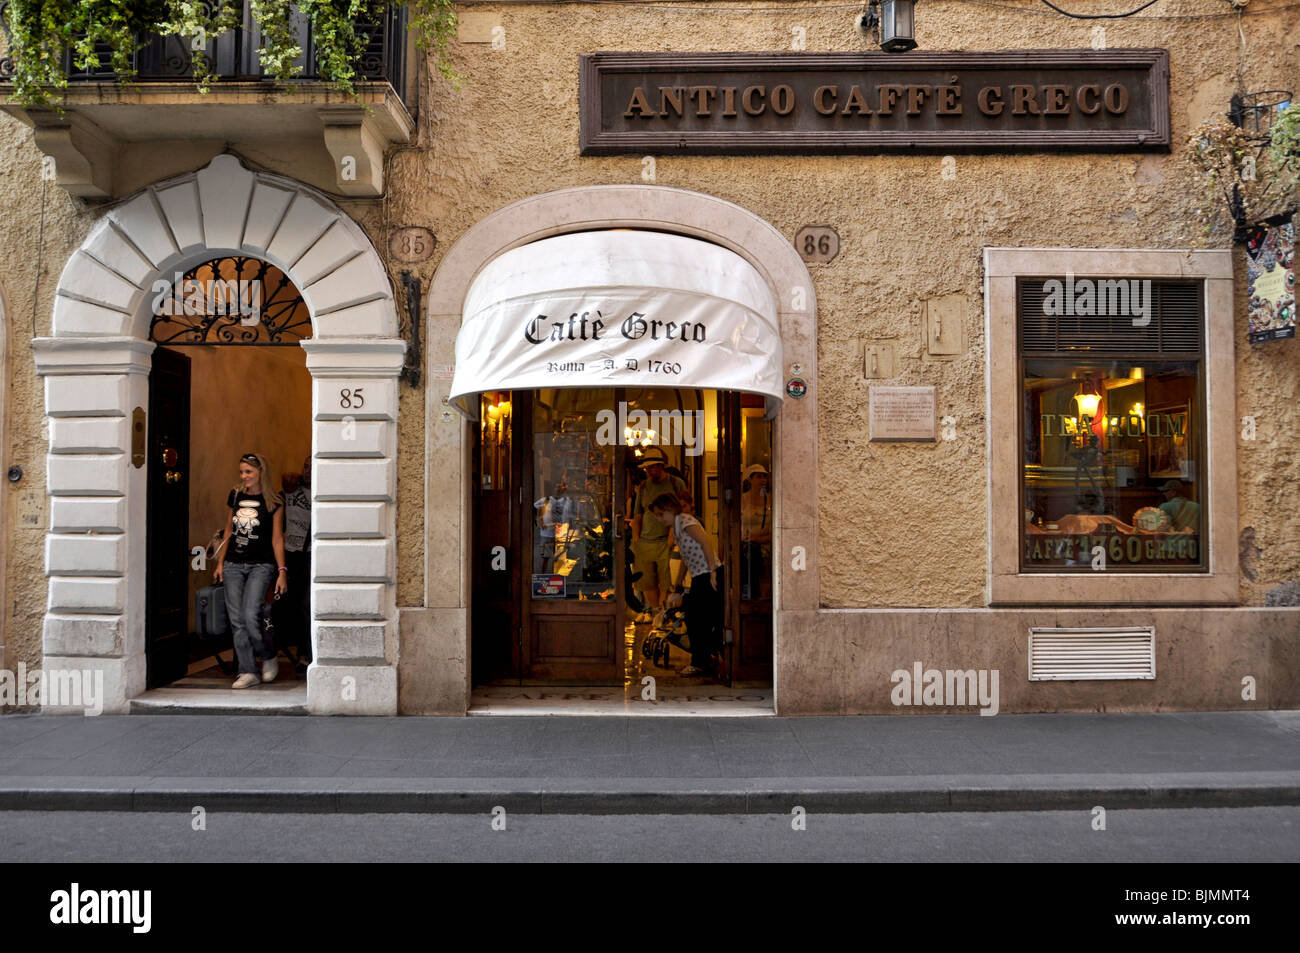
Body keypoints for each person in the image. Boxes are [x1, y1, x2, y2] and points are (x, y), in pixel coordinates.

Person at [213, 452, 288, 689]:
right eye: (241, 472)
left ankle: (267, 655)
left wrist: (282, 571)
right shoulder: (235, 495)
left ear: (260, 473)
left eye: (248, 472)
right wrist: (220, 563)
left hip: (261, 565)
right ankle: (247, 670)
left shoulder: (274, 502)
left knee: (250, 615)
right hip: (233, 564)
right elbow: (227, 532)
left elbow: (277, 539)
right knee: (237, 620)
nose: (244, 476)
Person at [650, 492, 723, 678]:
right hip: (700, 575)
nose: (659, 519)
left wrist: (713, 572)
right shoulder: (676, 528)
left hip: (708, 574)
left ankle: (701, 662)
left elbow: (705, 542)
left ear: (669, 510)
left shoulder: (685, 521)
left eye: (660, 514)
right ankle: (704, 659)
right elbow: (684, 555)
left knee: (698, 619)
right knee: (695, 618)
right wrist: (678, 582)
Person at [630, 448, 686, 623]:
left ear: (660, 465)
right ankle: (655, 612)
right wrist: (636, 538)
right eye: (647, 468)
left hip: (666, 540)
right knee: (646, 580)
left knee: (665, 580)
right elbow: (638, 513)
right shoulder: (645, 486)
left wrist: (673, 535)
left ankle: (663, 613)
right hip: (645, 540)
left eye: (652, 467)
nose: (648, 471)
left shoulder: (675, 483)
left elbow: (682, 510)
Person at [280, 455, 312, 676]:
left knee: (306, 605)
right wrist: (296, 478)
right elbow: (285, 479)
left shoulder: (322, 493)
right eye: (306, 465)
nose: (308, 470)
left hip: (309, 554)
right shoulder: (291, 489)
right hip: (289, 554)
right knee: (291, 606)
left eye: (313, 466)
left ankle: (306, 654)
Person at [740, 463, 771, 599]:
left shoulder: (770, 499)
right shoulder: (743, 499)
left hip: (766, 544)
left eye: (764, 477)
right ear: (750, 479)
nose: (763, 480)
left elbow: (773, 529)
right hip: (745, 546)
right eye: (759, 477)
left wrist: (756, 538)